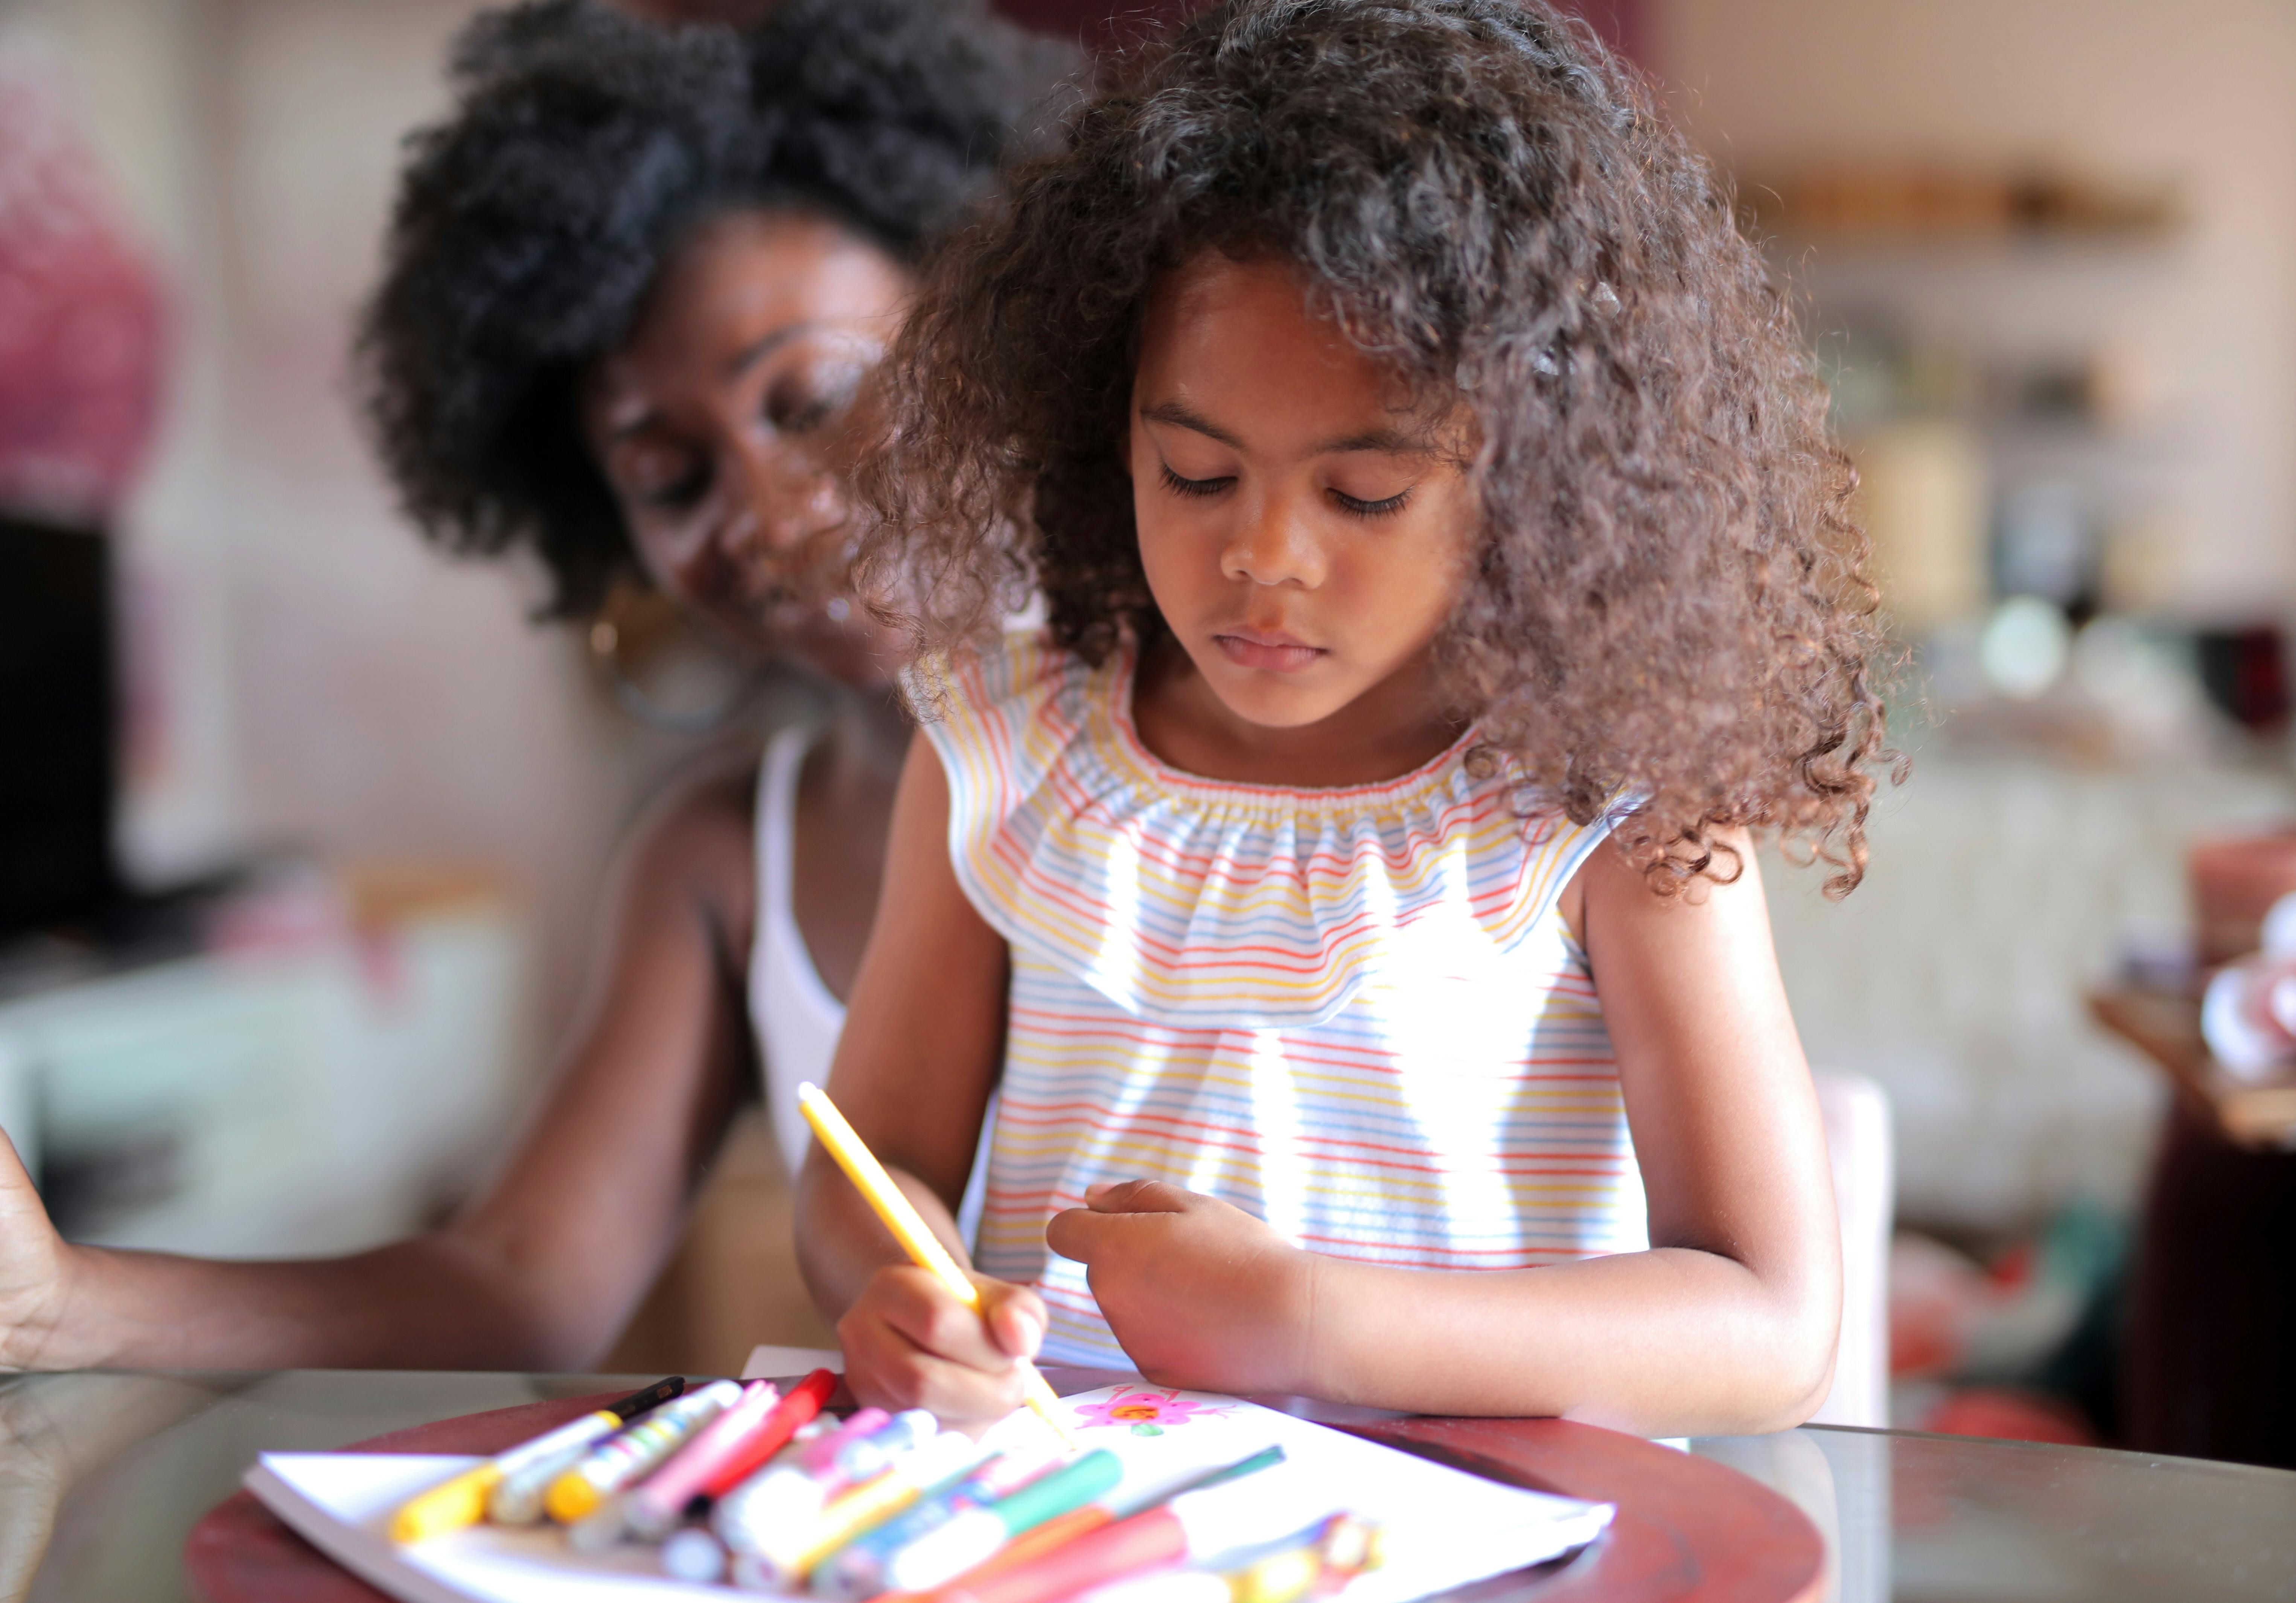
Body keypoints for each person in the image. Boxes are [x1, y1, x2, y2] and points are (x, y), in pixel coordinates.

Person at [799, 0, 1887, 1437]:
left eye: (1363, 496)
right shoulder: (1004, 749)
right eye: (1193, 471)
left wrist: (1310, 1319)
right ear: (1100, 419)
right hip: (1075, 1534)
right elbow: (871, 1161)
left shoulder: (1612, 796)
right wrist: (900, 1282)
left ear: (1529, 470)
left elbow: (1767, 1318)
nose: (1264, 556)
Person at [0, 0, 1067, 1373]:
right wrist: (61, 1303)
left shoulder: (1251, 729)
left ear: (979, 323)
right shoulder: (724, 855)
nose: (761, 504)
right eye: (669, 477)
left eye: (804, 397)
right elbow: (522, 1288)